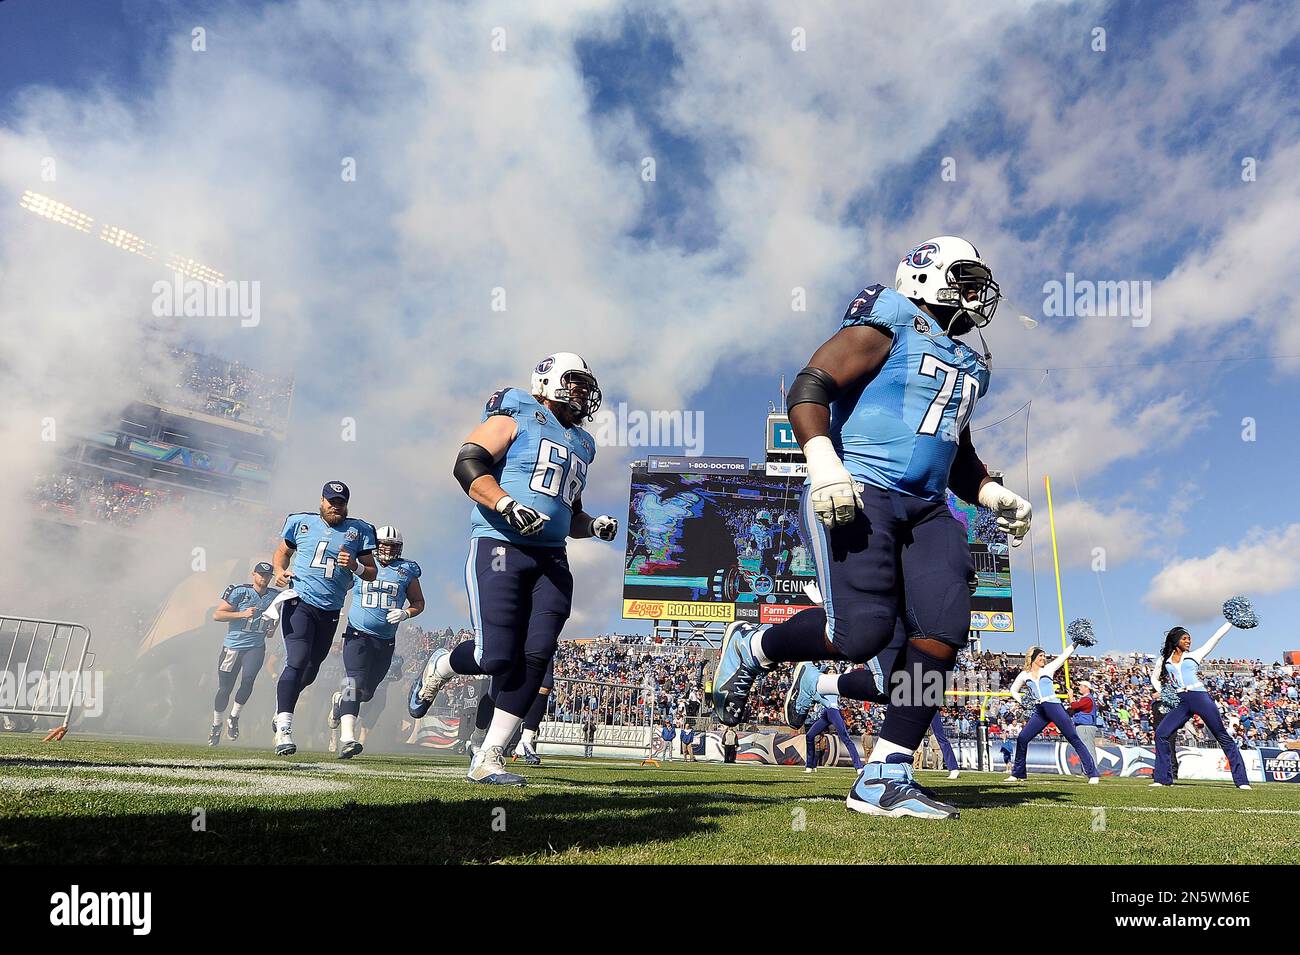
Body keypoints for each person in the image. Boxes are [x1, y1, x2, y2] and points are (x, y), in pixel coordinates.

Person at [711, 238, 1030, 820]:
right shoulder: (889, 318)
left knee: (942, 629)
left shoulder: (967, 363)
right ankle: (754, 646)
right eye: (963, 278)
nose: (975, 294)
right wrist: (823, 458)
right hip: (861, 490)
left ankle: (886, 775)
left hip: (929, 507)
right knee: (859, 635)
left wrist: (986, 488)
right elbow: (811, 386)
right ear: (925, 276)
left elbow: (952, 446)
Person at [408, 354, 619, 786]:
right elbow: (467, 464)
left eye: (585, 384)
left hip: (551, 558)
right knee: (495, 657)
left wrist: (592, 525)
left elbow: (567, 511)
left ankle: (489, 756)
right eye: (574, 381)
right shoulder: (517, 413)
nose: (582, 391)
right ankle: (443, 664)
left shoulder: (582, 443)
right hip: (500, 545)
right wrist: (505, 503)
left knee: (537, 654)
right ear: (548, 380)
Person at [268, 481, 377, 755]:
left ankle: (283, 704)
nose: (334, 506)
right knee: (297, 659)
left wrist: (355, 566)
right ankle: (284, 727)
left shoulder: (359, 530)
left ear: (346, 504)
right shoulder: (300, 523)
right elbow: (282, 553)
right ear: (321, 500)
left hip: (330, 610)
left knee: (311, 670)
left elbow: (372, 572)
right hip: (299, 601)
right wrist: (279, 571)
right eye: (330, 500)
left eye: (339, 502)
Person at [328, 526, 424, 759]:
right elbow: (338, 582)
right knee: (354, 681)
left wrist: (406, 613)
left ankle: (339, 701)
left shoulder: (407, 570)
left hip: (385, 640)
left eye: (392, 545)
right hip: (357, 634)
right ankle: (347, 739)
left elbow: (419, 602)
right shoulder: (363, 563)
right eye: (383, 544)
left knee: (368, 692)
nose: (387, 549)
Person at [1151, 626, 1251, 789]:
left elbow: (1215, 638)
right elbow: (1154, 678)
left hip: (1199, 697)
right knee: (1161, 734)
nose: (1188, 641)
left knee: (1222, 735)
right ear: (1176, 640)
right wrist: (1162, 692)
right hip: (1181, 701)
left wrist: (1230, 622)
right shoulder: (1164, 659)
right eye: (1184, 638)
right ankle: (1162, 778)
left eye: (1189, 638)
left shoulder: (1194, 655)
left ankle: (1242, 781)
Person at [1005, 643, 1100, 783]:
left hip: (1054, 706)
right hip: (1039, 710)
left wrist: (1076, 642)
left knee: (1073, 738)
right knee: (1022, 738)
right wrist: (1024, 701)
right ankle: (1018, 773)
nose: (1044, 658)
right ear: (1033, 658)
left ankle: (1093, 774)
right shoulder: (1024, 674)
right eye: (1041, 656)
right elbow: (1013, 690)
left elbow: (1064, 655)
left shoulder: (1048, 669)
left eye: (1044, 656)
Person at [208, 562, 280, 745]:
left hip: (255, 646)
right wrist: (242, 614)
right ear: (253, 574)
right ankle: (217, 724)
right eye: (261, 574)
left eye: (267, 575)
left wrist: (272, 628)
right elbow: (217, 615)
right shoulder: (239, 591)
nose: (264, 578)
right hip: (232, 647)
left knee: (248, 681)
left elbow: (277, 615)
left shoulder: (274, 596)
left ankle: (234, 717)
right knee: (225, 688)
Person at [794, 667, 863, 773]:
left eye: (834, 671)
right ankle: (809, 765)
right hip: (825, 713)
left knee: (845, 738)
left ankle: (858, 766)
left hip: (834, 711)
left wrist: (852, 665)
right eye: (830, 671)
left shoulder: (837, 682)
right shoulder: (821, 682)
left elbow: (846, 673)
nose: (832, 673)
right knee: (809, 736)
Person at [1067, 680, 1099, 772]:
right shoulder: (1085, 699)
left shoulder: (1087, 699)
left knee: (1088, 749)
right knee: (1085, 749)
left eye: (1081, 686)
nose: (1079, 688)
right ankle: (1087, 770)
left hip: (1086, 727)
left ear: (1086, 688)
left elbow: (1074, 706)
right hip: (1083, 726)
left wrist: (1071, 697)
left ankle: (1092, 770)